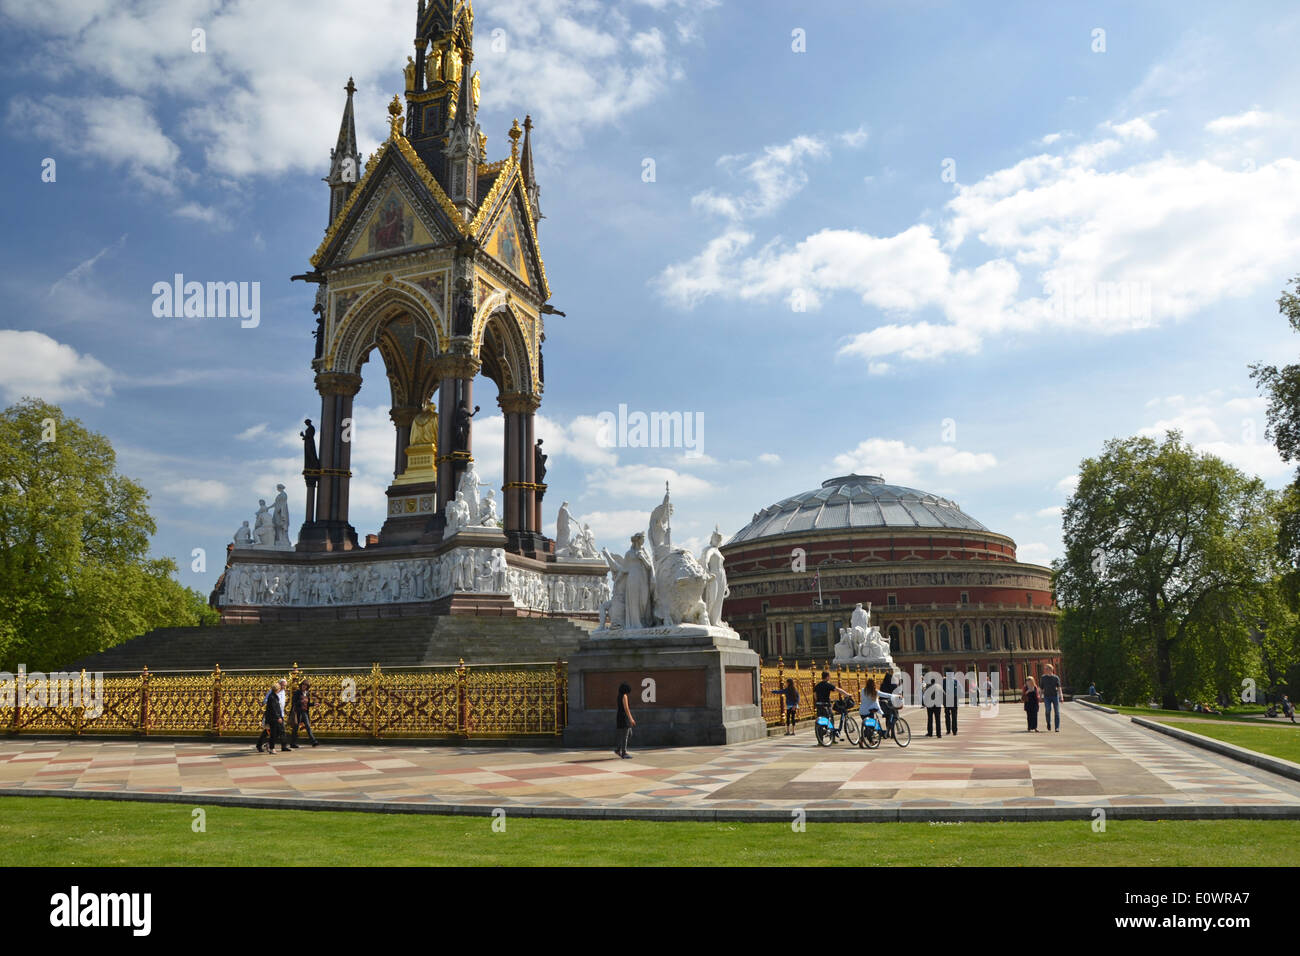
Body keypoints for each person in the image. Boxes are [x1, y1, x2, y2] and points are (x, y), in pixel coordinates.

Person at [257, 680, 285, 753]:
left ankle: (269, 745)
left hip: (278, 715)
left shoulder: (276, 695)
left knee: (277, 731)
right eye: (282, 686)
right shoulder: (272, 696)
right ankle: (269, 747)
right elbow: (273, 708)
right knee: (271, 732)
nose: (283, 687)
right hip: (273, 718)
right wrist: (278, 717)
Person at [290, 678, 319, 748]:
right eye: (303, 685)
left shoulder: (307, 693)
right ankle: (292, 743)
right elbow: (293, 702)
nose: (304, 686)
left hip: (304, 712)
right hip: (298, 712)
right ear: (301, 685)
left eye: (306, 685)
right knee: (296, 728)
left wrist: (313, 704)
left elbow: (307, 704)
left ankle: (313, 741)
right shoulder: (297, 692)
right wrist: (300, 701)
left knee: (308, 726)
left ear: (307, 687)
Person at [858, 677, 884, 742]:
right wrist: (896, 696)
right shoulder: (874, 691)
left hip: (862, 711)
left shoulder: (863, 690)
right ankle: (863, 740)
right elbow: (885, 695)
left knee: (868, 727)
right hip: (869, 711)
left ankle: (867, 741)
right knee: (870, 727)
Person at [1040, 664, 1062, 732]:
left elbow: (1059, 688)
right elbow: (1041, 688)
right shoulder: (1043, 678)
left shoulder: (1056, 678)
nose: (1045, 670)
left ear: (1051, 669)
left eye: (1047, 669)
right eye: (1045, 669)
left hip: (1055, 696)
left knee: (1057, 712)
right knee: (1048, 710)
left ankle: (1057, 727)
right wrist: (1040, 696)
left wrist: (1061, 696)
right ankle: (1048, 723)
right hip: (1047, 696)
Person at [615, 681, 635, 759]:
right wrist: (631, 718)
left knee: (627, 733)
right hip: (624, 717)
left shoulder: (619, 695)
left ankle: (618, 749)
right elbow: (626, 708)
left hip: (619, 716)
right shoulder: (624, 696)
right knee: (626, 735)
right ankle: (624, 752)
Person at [924, 673, 943, 738]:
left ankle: (930, 733)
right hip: (937, 704)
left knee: (930, 719)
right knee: (938, 719)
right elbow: (943, 694)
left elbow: (925, 696)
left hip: (930, 705)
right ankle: (939, 734)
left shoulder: (928, 686)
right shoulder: (939, 686)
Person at [943, 671, 960, 736]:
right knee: (954, 715)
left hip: (947, 699)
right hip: (954, 699)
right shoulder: (955, 681)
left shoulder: (944, 681)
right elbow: (960, 690)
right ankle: (954, 731)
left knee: (947, 715)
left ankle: (948, 730)